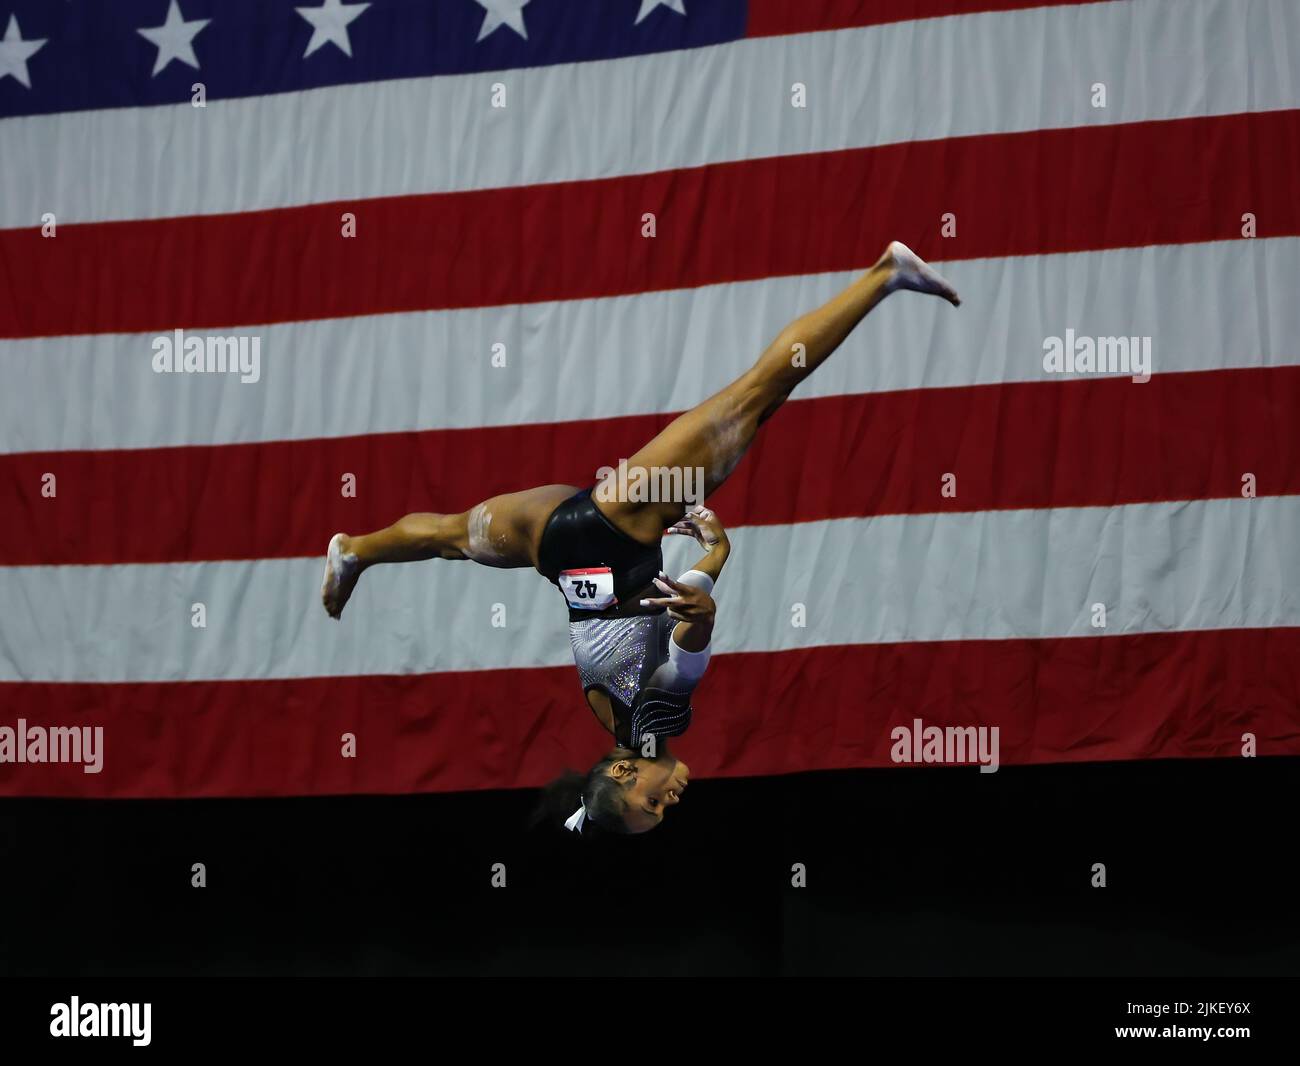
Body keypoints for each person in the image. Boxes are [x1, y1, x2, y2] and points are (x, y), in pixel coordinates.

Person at [320, 241, 960, 834]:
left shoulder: (654, 727)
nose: (669, 800)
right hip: (557, 548)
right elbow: (669, 626)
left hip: (616, 528)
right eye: (662, 811)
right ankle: (354, 550)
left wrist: (704, 616)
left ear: (623, 771)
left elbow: (686, 643)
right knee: (449, 537)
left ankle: (886, 275)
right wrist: (713, 560)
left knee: (759, 393)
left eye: (650, 802)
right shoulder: (619, 720)